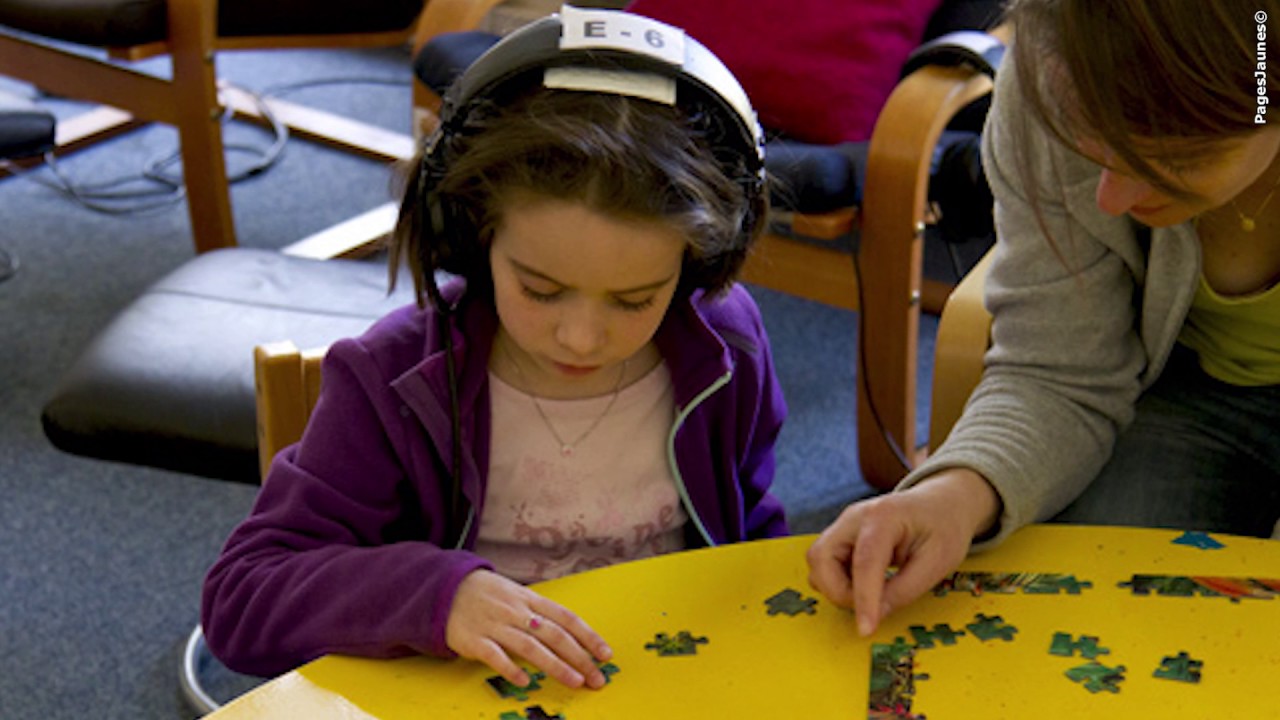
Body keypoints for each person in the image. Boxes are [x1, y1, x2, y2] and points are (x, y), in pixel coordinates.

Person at [202, 7, 788, 692]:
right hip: (461, 689)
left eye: (634, 301)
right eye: (540, 290)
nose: (580, 338)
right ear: (471, 234)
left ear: (698, 266)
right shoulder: (390, 379)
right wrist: (436, 598)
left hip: (662, 677)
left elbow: (745, 527)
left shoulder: (727, 348)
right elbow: (244, 599)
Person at [808, 0, 1280, 637]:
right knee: (1097, 627)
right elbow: (1058, 372)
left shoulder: (1260, 62)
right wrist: (953, 493)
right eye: (1091, 152)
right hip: (1180, 389)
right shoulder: (1048, 82)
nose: (1109, 198)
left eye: (1172, 160)